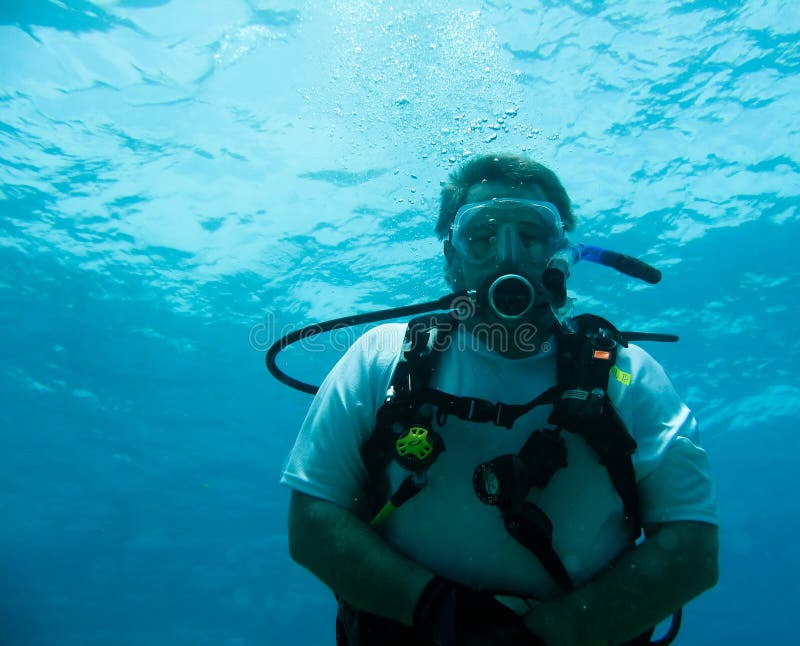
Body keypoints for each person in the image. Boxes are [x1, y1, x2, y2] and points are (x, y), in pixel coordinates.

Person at [280, 153, 719, 646]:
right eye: (483, 237)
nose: (507, 257)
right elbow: (312, 522)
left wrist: (554, 634)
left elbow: (692, 549)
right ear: (452, 259)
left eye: (530, 236)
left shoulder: (628, 375)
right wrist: (435, 609)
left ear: (561, 256)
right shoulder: (382, 356)